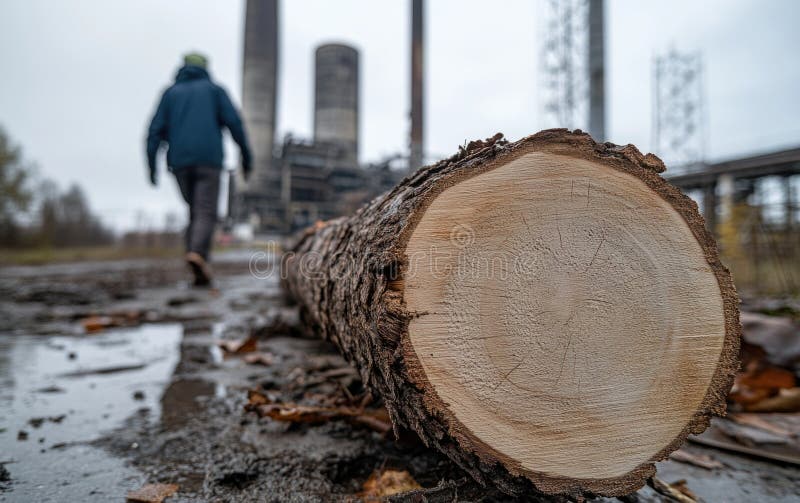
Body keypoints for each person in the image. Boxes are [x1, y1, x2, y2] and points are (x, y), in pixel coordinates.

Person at [146, 52, 251, 286]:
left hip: (180, 163)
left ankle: (197, 263)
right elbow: (235, 124)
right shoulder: (214, 91)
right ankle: (198, 255)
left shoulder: (170, 94)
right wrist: (246, 156)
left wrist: (151, 165)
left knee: (195, 211)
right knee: (205, 211)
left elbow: (154, 131)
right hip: (209, 161)